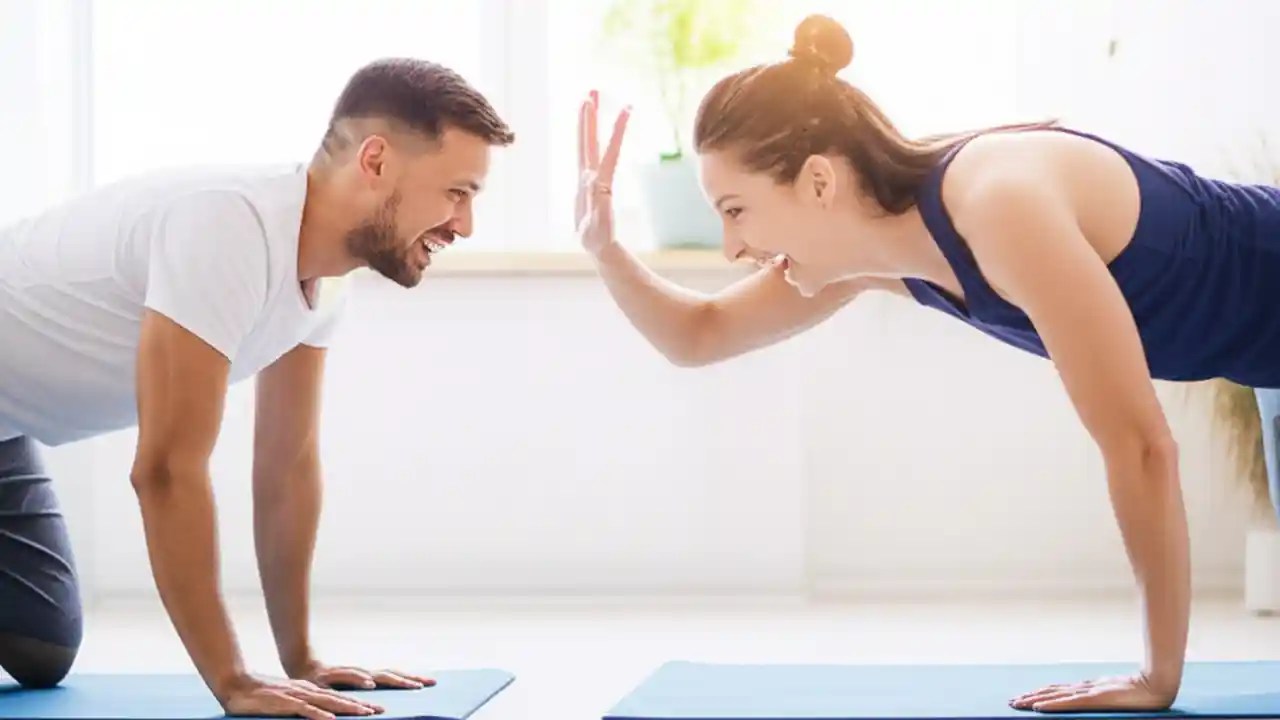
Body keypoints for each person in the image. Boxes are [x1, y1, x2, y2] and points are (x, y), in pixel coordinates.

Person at [577, 12, 1280, 715]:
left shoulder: (998, 204)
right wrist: (607, 249)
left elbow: (1141, 446)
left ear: (819, 181)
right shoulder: (880, 254)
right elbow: (699, 336)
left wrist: (1157, 679)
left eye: (737, 209)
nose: (732, 246)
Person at [0, 57, 513, 719]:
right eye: (457, 192)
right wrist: (232, 680)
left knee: (41, 647)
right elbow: (165, 470)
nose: (464, 225)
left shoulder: (323, 281)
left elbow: (286, 466)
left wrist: (302, 660)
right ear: (377, 161)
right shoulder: (226, 225)